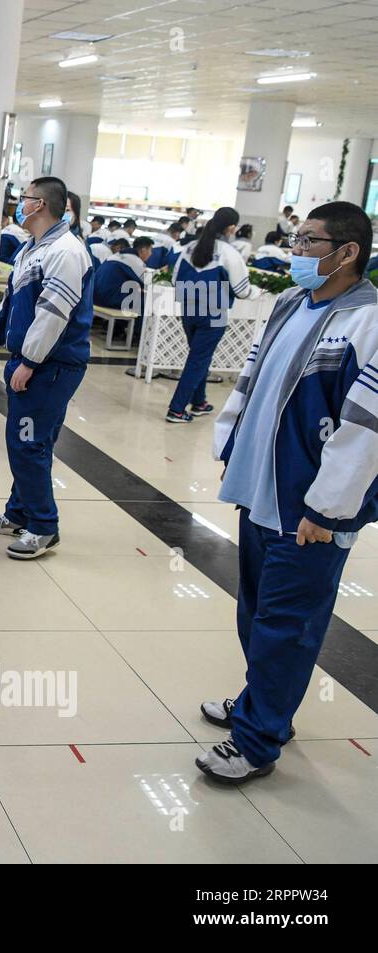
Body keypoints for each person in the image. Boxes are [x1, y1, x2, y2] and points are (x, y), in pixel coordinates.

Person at [201, 201, 378, 784]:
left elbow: (364, 431)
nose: (296, 252)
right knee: (256, 610)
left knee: (287, 623)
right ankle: (263, 706)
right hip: (262, 490)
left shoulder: (369, 323)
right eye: (297, 240)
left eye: (309, 243)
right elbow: (252, 376)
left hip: (310, 510)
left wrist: (326, 508)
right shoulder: (289, 303)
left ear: (347, 252)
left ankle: (258, 740)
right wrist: (230, 443)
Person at [0, 176, 93, 560]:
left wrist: (29, 361)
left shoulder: (66, 252)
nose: (19, 203)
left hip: (53, 365)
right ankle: (19, 512)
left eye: (24, 198)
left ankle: (44, 527)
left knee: (28, 444)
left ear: (40, 204)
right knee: (29, 441)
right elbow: (12, 299)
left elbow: (53, 315)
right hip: (33, 360)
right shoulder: (32, 248)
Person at [166, 207, 254, 423]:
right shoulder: (229, 253)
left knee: (199, 356)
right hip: (213, 312)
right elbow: (242, 290)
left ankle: (199, 402)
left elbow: (174, 279)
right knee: (198, 359)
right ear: (231, 227)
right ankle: (176, 409)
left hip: (188, 308)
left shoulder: (190, 247)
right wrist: (255, 293)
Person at [93, 236, 150, 312]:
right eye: (150, 250)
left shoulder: (116, 256)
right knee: (146, 300)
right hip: (107, 300)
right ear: (143, 250)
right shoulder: (135, 261)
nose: (151, 254)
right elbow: (148, 283)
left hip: (94, 296)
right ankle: (124, 324)